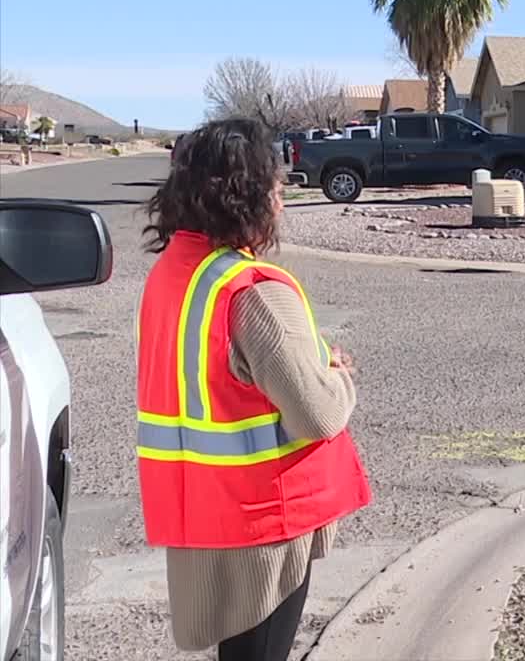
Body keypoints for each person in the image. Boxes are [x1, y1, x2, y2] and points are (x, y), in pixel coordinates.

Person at [135, 117, 372, 660]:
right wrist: (337, 376)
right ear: (249, 197)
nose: (282, 202)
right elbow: (318, 414)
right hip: (263, 524)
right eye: (277, 187)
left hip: (201, 510)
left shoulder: (175, 272)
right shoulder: (254, 291)